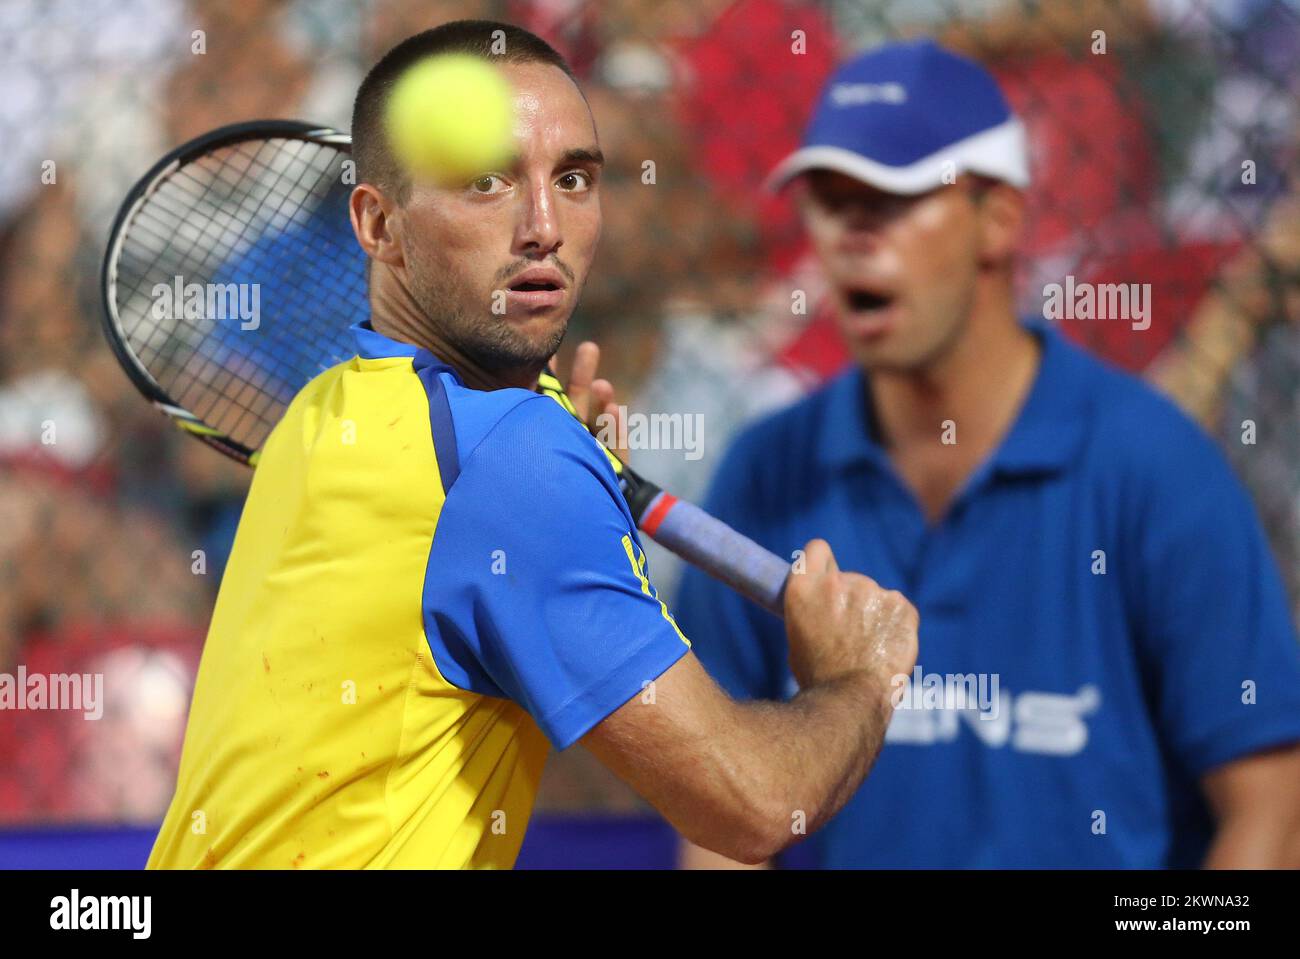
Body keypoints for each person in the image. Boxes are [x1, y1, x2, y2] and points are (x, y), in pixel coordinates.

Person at [147, 19, 919, 870]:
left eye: (575, 178)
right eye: (486, 182)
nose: (544, 225)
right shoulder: (514, 464)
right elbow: (758, 804)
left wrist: (567, 486)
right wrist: (857, 676)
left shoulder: (325, 409)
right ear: (378, 225)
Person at [676, 39, 1300, 869]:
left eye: (892, 198)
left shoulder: (1153, 467)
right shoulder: (767, 472)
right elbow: (717, 827)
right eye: (830, 200)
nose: (853, 234)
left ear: (999, 219)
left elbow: (1272, 815)